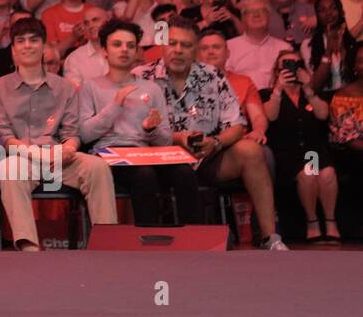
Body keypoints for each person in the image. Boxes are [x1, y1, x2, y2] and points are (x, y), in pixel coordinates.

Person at [138, 17, 288, 250]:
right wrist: (178, 139)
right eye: (172, 43)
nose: (178, 50)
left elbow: (236, 125)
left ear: (195, 50)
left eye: (186, 45)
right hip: (161, 159)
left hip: (207, 156)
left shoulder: (212, 76)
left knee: (252, 150)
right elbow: (137, 127)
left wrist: (215, 142)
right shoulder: (142, 76)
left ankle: (270, 237)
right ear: (162, 46)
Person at [0, 18, 118, 250]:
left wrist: (68, 148)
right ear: (13, 49)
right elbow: (5, 137)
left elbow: (71, 132)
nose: (28, 46)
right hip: (23, 158)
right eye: (21, 41)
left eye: (34, 40)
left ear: (44, 46)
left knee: (98, 167)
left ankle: (107, 243)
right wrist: (39, 156)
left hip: (60, 157)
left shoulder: (65, 87)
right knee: (8, 169)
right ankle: (29, 245)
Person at [76, 20, 201, 226]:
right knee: (144, 175)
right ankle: (148, 241)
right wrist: (115, 104)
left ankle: (196, 238)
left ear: (136, 53)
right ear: (105, 51)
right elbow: (85, 134)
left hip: (145, 152)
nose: (124, 50)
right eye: (117, 44)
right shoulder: (91, 86)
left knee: (184, 172)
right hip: (109, 154)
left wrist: (151, 130)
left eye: (130, 45)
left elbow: (166, 140)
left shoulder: (151, 88)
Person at [261, 48, 338, 243]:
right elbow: (270, 116)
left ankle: (330, 223)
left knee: (327, 173)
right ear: (277, 71)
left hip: (311, 150)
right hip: (288, 152)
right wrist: (278, 89)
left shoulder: (309, 93)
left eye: (296, 64)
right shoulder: (269, 94)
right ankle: (312, 223)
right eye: (286, 65)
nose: (292, 69)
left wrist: (309, 89)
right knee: (308, 174)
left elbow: (322, 114)